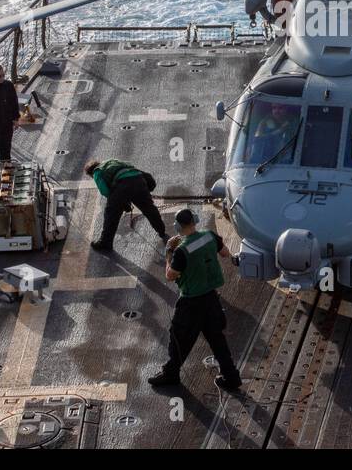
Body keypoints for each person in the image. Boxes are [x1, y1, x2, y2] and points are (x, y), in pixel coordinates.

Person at [149, 208, 243, 392]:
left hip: (190, 302)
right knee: (217, 340)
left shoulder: (181, 252)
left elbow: (170, 275)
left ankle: (171, 374)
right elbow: (225, 253)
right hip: (211, 298)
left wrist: (169, 251)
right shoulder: (209, 236)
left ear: (177, 227)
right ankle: (231, 377)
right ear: (195, 221)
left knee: (179, 339)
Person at [85, 158, 166, 252]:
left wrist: (121, 203)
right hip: (139, 180)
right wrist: (146, 190)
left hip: (123, 185)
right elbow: (136, 170)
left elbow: (105, 191)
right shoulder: (113, 162)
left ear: (91, 173)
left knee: (111, 215)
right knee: (149, 209)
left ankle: (105, 243)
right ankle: (161, 230)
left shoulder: (97, 172)